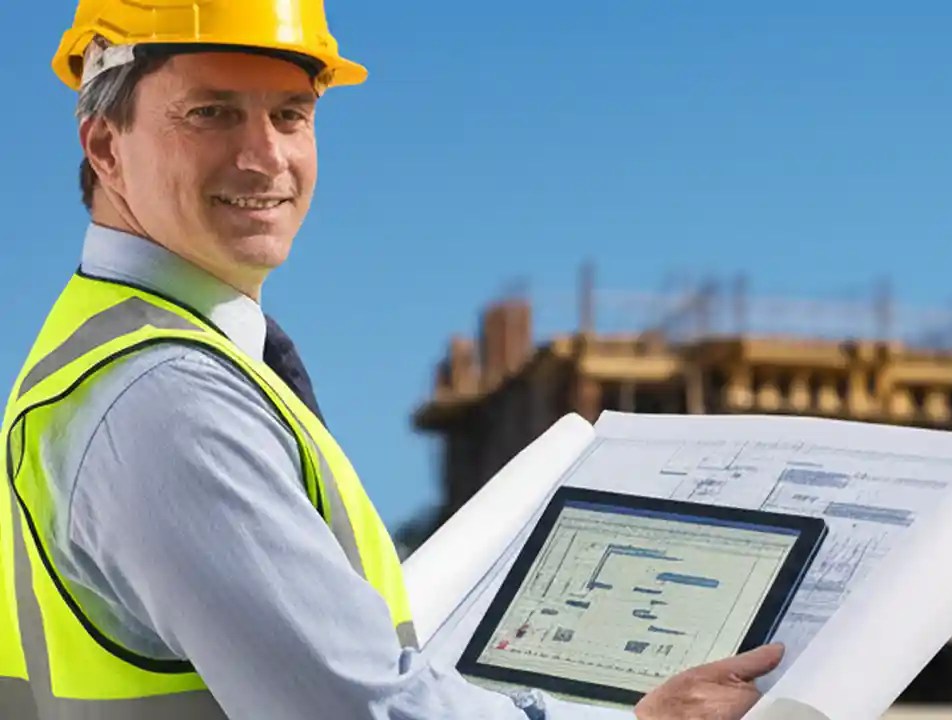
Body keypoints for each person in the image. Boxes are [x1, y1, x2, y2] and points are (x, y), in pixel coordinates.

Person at [0, 2, 785, 719]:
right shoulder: (166, 399)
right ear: (106, 145)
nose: (265, 156)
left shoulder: (116, 348)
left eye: (290, 114)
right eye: (211, 113)